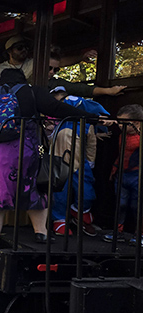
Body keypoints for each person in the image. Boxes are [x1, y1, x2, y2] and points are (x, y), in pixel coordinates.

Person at [0, 69, 93, 261]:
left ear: (0, 80)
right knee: (37, 188)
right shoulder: (33, 92)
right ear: (25, 79)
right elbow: (56, 109)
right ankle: (41, 233)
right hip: (23, 149)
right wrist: (89, 117)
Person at [48, 86, 108, 237]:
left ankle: (79, 211)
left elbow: (91, 144)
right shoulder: (57, 124)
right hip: (59, 162)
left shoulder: (86, 125)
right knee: (60, 192)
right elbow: (50, 141)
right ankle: (59, 219)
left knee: (86, 190)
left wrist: (90, 160)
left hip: (80, 163)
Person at [104, 104, 143, 245]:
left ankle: (139, 234)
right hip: (122, 174)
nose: (120, 125)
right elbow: (121, 154)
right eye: (119, 122)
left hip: (137, 175)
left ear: (137, 122)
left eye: (123, 123)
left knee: (136, 206)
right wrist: (115, 169)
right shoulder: (122, 135)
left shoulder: (140, 137)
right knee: (121, 204)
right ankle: (118, 231)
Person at [47, 50, 126, 97]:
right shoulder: (36, 79)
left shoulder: (56, 83)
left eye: (56, 69)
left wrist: (108, 91)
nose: (52, 72)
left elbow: (81, 89)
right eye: (49, 68)